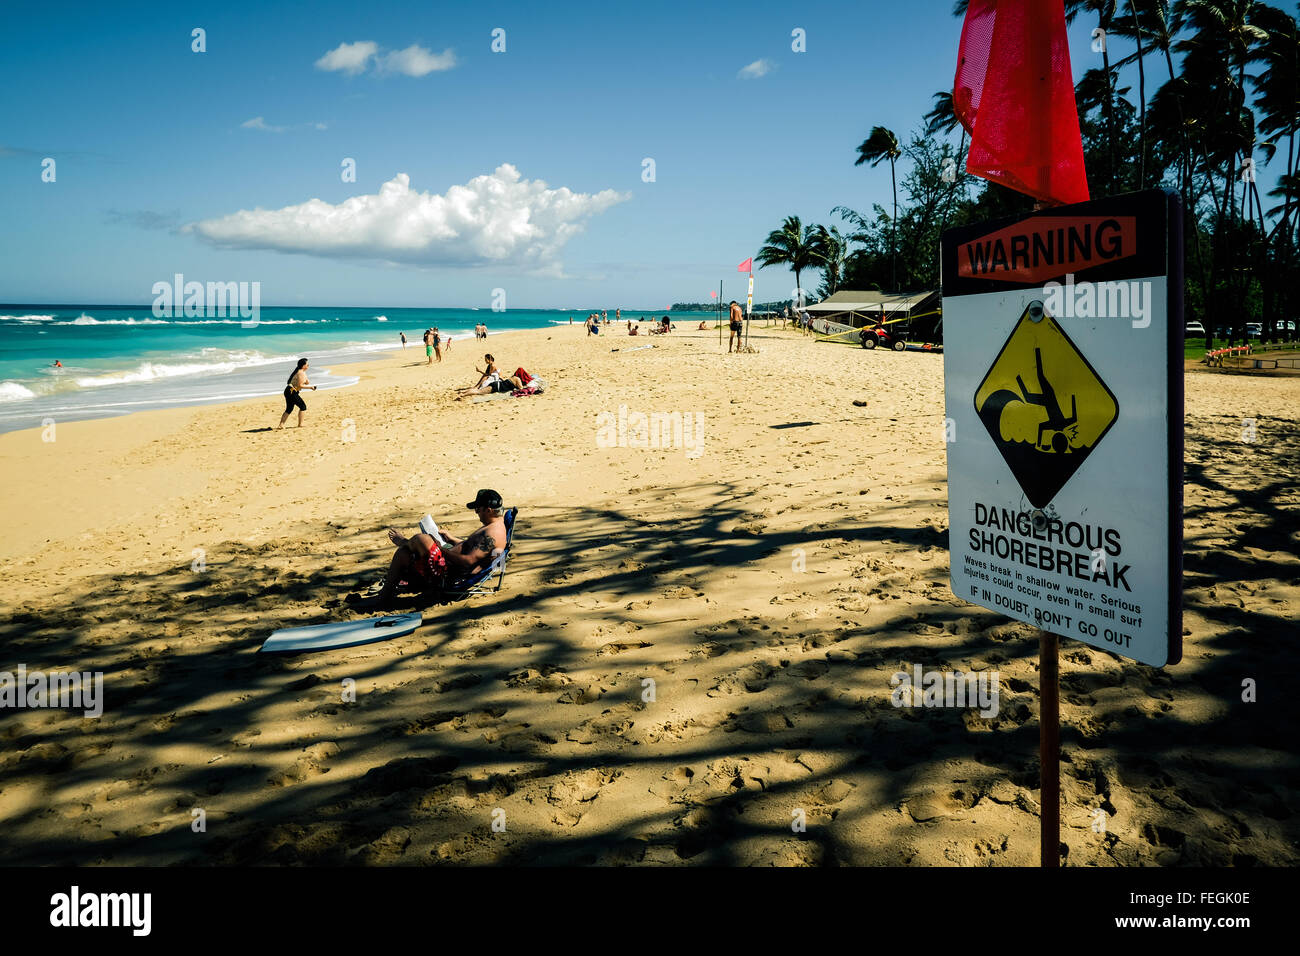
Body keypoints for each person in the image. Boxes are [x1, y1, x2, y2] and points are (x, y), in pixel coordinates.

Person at [359, 489, 509, 606]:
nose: (476, 513)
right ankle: (384, 596)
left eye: (478, 509)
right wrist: (451, 539)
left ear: (489, 510)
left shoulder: (493, 533)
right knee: (403, 554)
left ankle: (406, 541)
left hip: (449, 575)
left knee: (421, 539)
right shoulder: (493, 526)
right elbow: (473, 548)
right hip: (449, 564)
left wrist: (440, 548)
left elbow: (468, 561)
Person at [277, 358, 316, 428]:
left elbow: (306, 382)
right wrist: (311, 387)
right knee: (303, 406)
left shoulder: (301, 372)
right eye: (307, 364)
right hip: (291, 391)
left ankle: (281, 425)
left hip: (289, 391)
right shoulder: (300, 372)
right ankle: (300, 424)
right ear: (303, 365)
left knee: (289, 409)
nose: (308, 366)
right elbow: (300, 385)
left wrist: (306, 381)